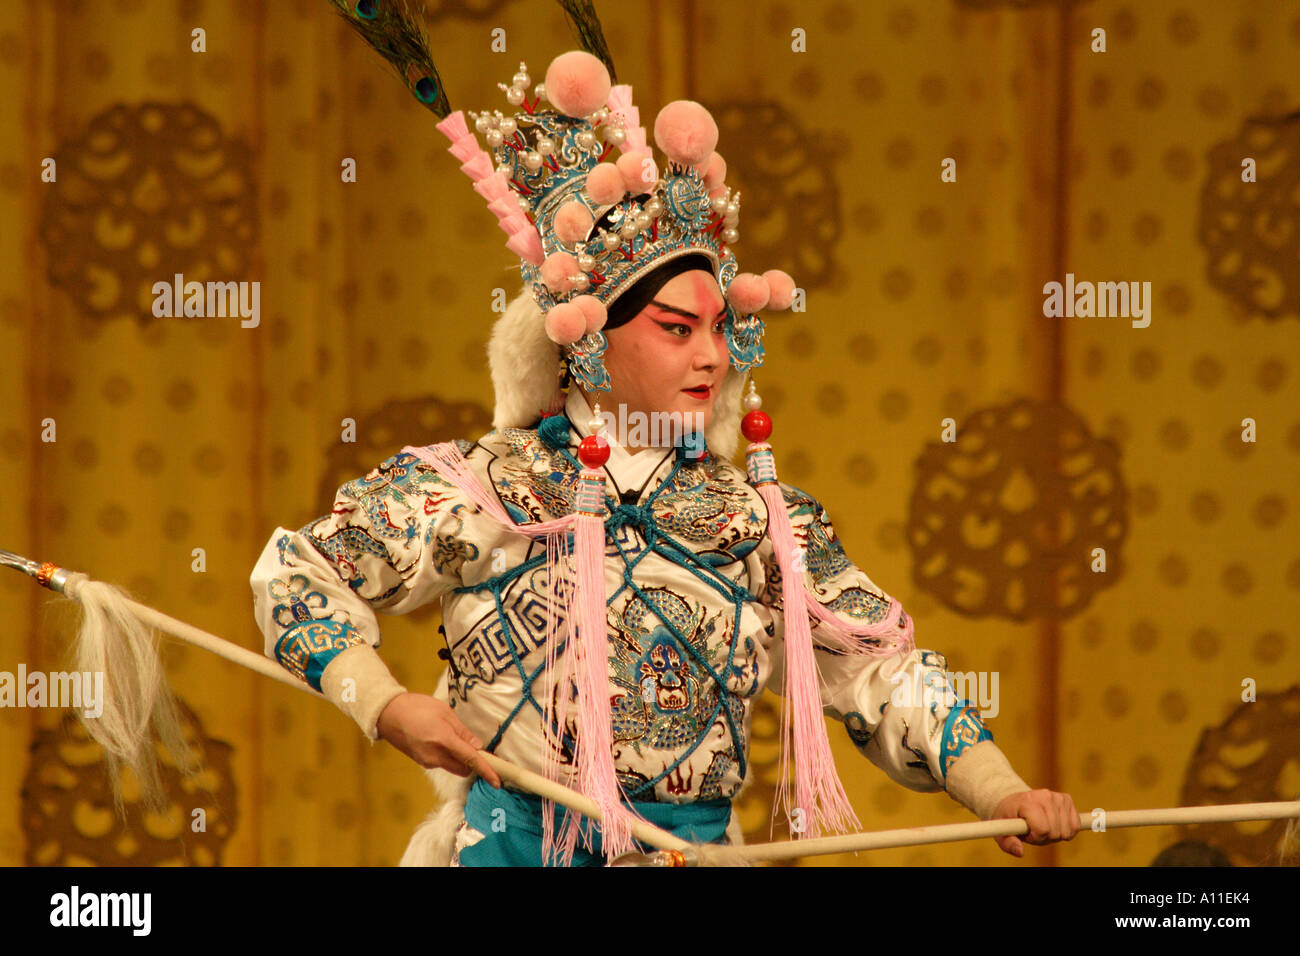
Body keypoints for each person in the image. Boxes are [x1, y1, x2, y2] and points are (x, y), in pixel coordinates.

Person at [250, 36, 1079, 866]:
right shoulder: (485, 484)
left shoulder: (756, 518)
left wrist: (999, 788)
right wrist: (385, 704)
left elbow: (881, 673)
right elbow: (297, 572)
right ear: (588, 342)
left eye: (719, 329)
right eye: (677, 330)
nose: (712, 357)